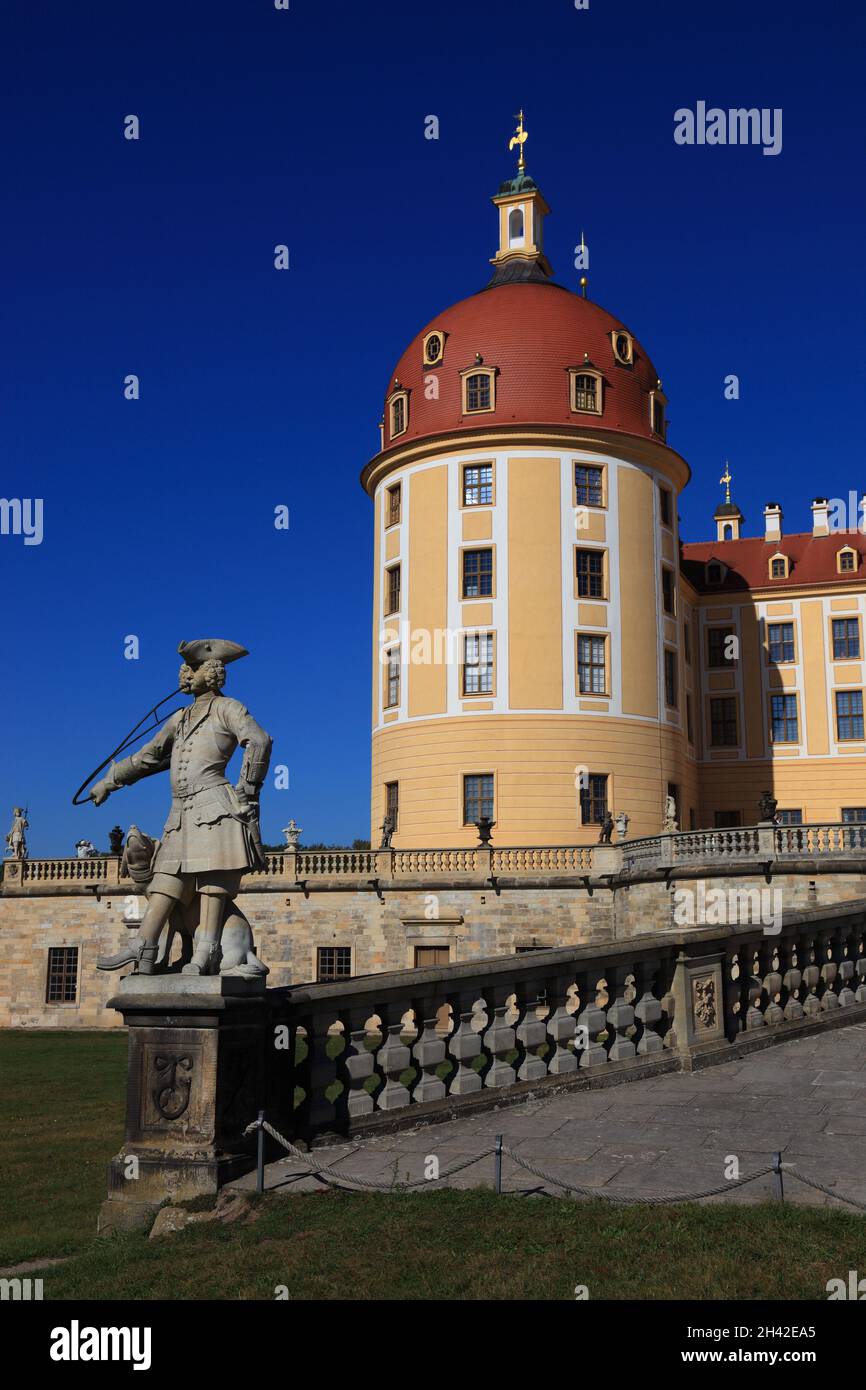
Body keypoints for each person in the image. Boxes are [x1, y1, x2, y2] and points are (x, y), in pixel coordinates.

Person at [92, 639, 272, 976]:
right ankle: (143, 947)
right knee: (164, 878)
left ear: (212, 672)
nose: (184, 674)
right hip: (181, 812)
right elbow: (151, 756)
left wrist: (247, 790)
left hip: (215, 805)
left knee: (212, 883)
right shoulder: (180, 717)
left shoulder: (228, 708)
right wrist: (110, 780)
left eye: (192, 668)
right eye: (184, 668)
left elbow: (259, 740)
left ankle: (206, 953)